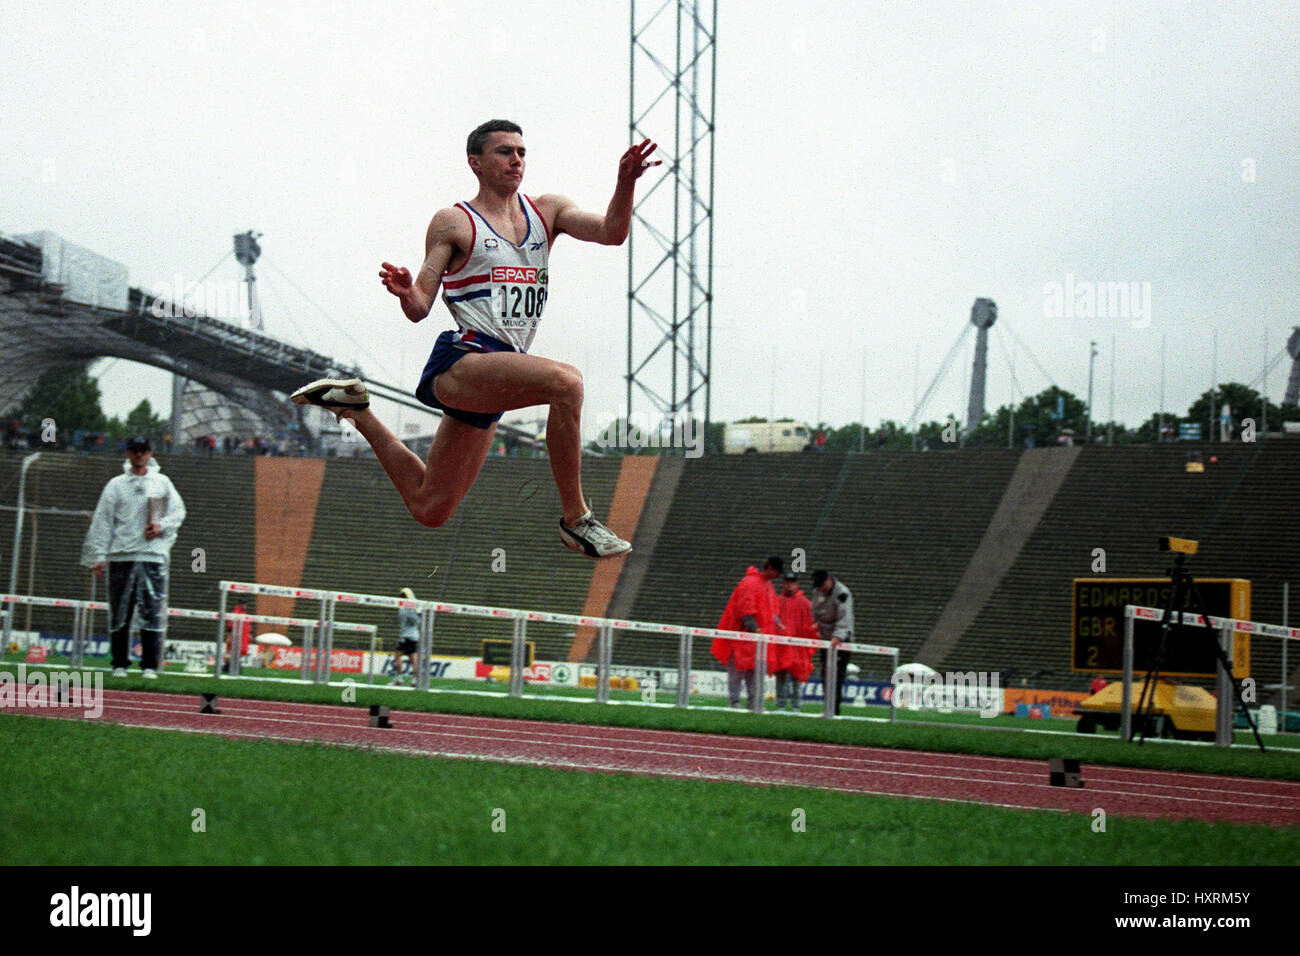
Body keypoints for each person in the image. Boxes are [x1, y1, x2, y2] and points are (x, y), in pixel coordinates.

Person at [290, 119, 662, 560]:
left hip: (503, 374)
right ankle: (577, 520)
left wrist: (624, 183)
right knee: (568, 383)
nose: (516, 160)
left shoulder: (548, 211)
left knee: (430, 507)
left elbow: (612, 233)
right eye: (505, 152)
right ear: (476, 163)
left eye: (522, 152)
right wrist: (408, 289)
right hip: (465, 360)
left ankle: (356, 408)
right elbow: (419, 308)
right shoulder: (454, 222)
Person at [81, 436, 186, 679]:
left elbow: (178, 511)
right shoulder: (116, 485)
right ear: (127, 453)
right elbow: (102, 521)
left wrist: (161, 525)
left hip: (152, 556)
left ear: (150, 453)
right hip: (121, 555)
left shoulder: (162, 483)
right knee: (121, 612)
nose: (139, 454)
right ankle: (119, 663)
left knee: (151, 611)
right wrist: (98, 555)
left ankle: (149, 665)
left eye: (143, 450)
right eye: (134, 450)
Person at [712, 556, 783, 709]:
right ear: (770, 569)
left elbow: (771, 608)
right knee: (737, 671)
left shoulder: (767, 585)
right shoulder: (750, 583)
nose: (777, 576)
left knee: (755, 672)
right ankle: (735, 701)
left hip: (756, 639)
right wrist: (754, 627)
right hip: (743, 637)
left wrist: (777, 622)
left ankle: (754, 702)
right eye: (777, 572)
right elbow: (745, 608)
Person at [811, 569, 854, 715]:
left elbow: (844, 619)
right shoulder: (818, 591)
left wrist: (838, 637)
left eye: (822, 585)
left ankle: (834, 711)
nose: (820, 589)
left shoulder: (842, 593)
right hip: (825, 639)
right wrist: (815, 623)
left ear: (829, 580)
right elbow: (815, 610)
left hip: (841, 642)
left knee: (836, 677)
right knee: (825, 675)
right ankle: (827, 708)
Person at [774, 572, 817, 711]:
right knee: (781, 677)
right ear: (783, 584)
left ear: (797, 584)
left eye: (792, 582)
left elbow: (811, 625)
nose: (789, 585)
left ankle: (796, 706)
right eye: (787, 582)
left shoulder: (805, 603)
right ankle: (780, 705)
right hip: (781, 646)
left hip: (798, 648)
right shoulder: (777, 601)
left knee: (797, 678)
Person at [392, 587, 420, 686]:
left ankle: (399, 678)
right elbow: (417, 620)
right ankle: (415, 680)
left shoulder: (404, 608)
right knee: (413, 657)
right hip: (414, 635)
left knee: (398, 656)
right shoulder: (414, 606)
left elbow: (414, 620)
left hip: (406, 635)